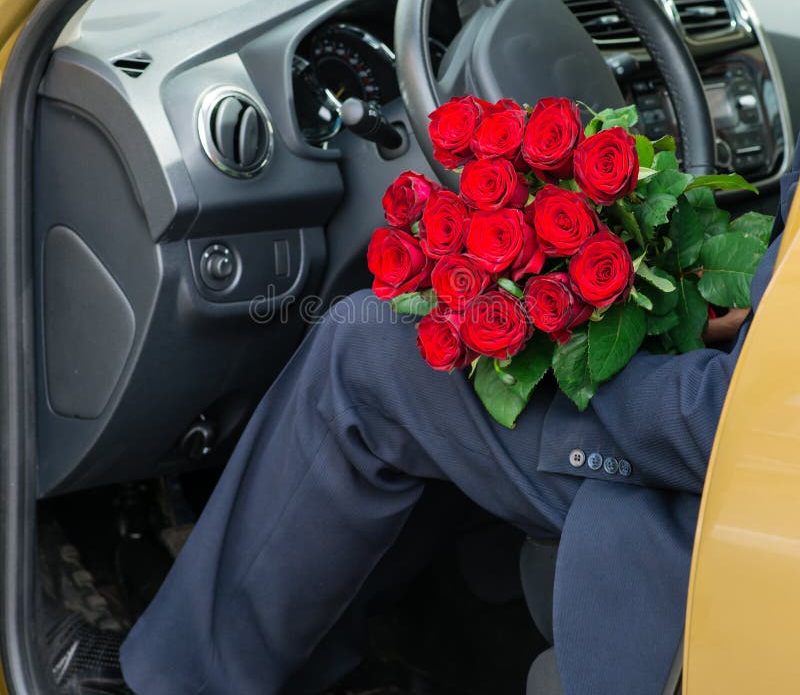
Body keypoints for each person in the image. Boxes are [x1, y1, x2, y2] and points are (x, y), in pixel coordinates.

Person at [117, 147, 799, 695]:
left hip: (728, 486)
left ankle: (185, 681)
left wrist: (575, 356)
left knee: (368, 354)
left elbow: (742, 422)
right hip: (746, 425)